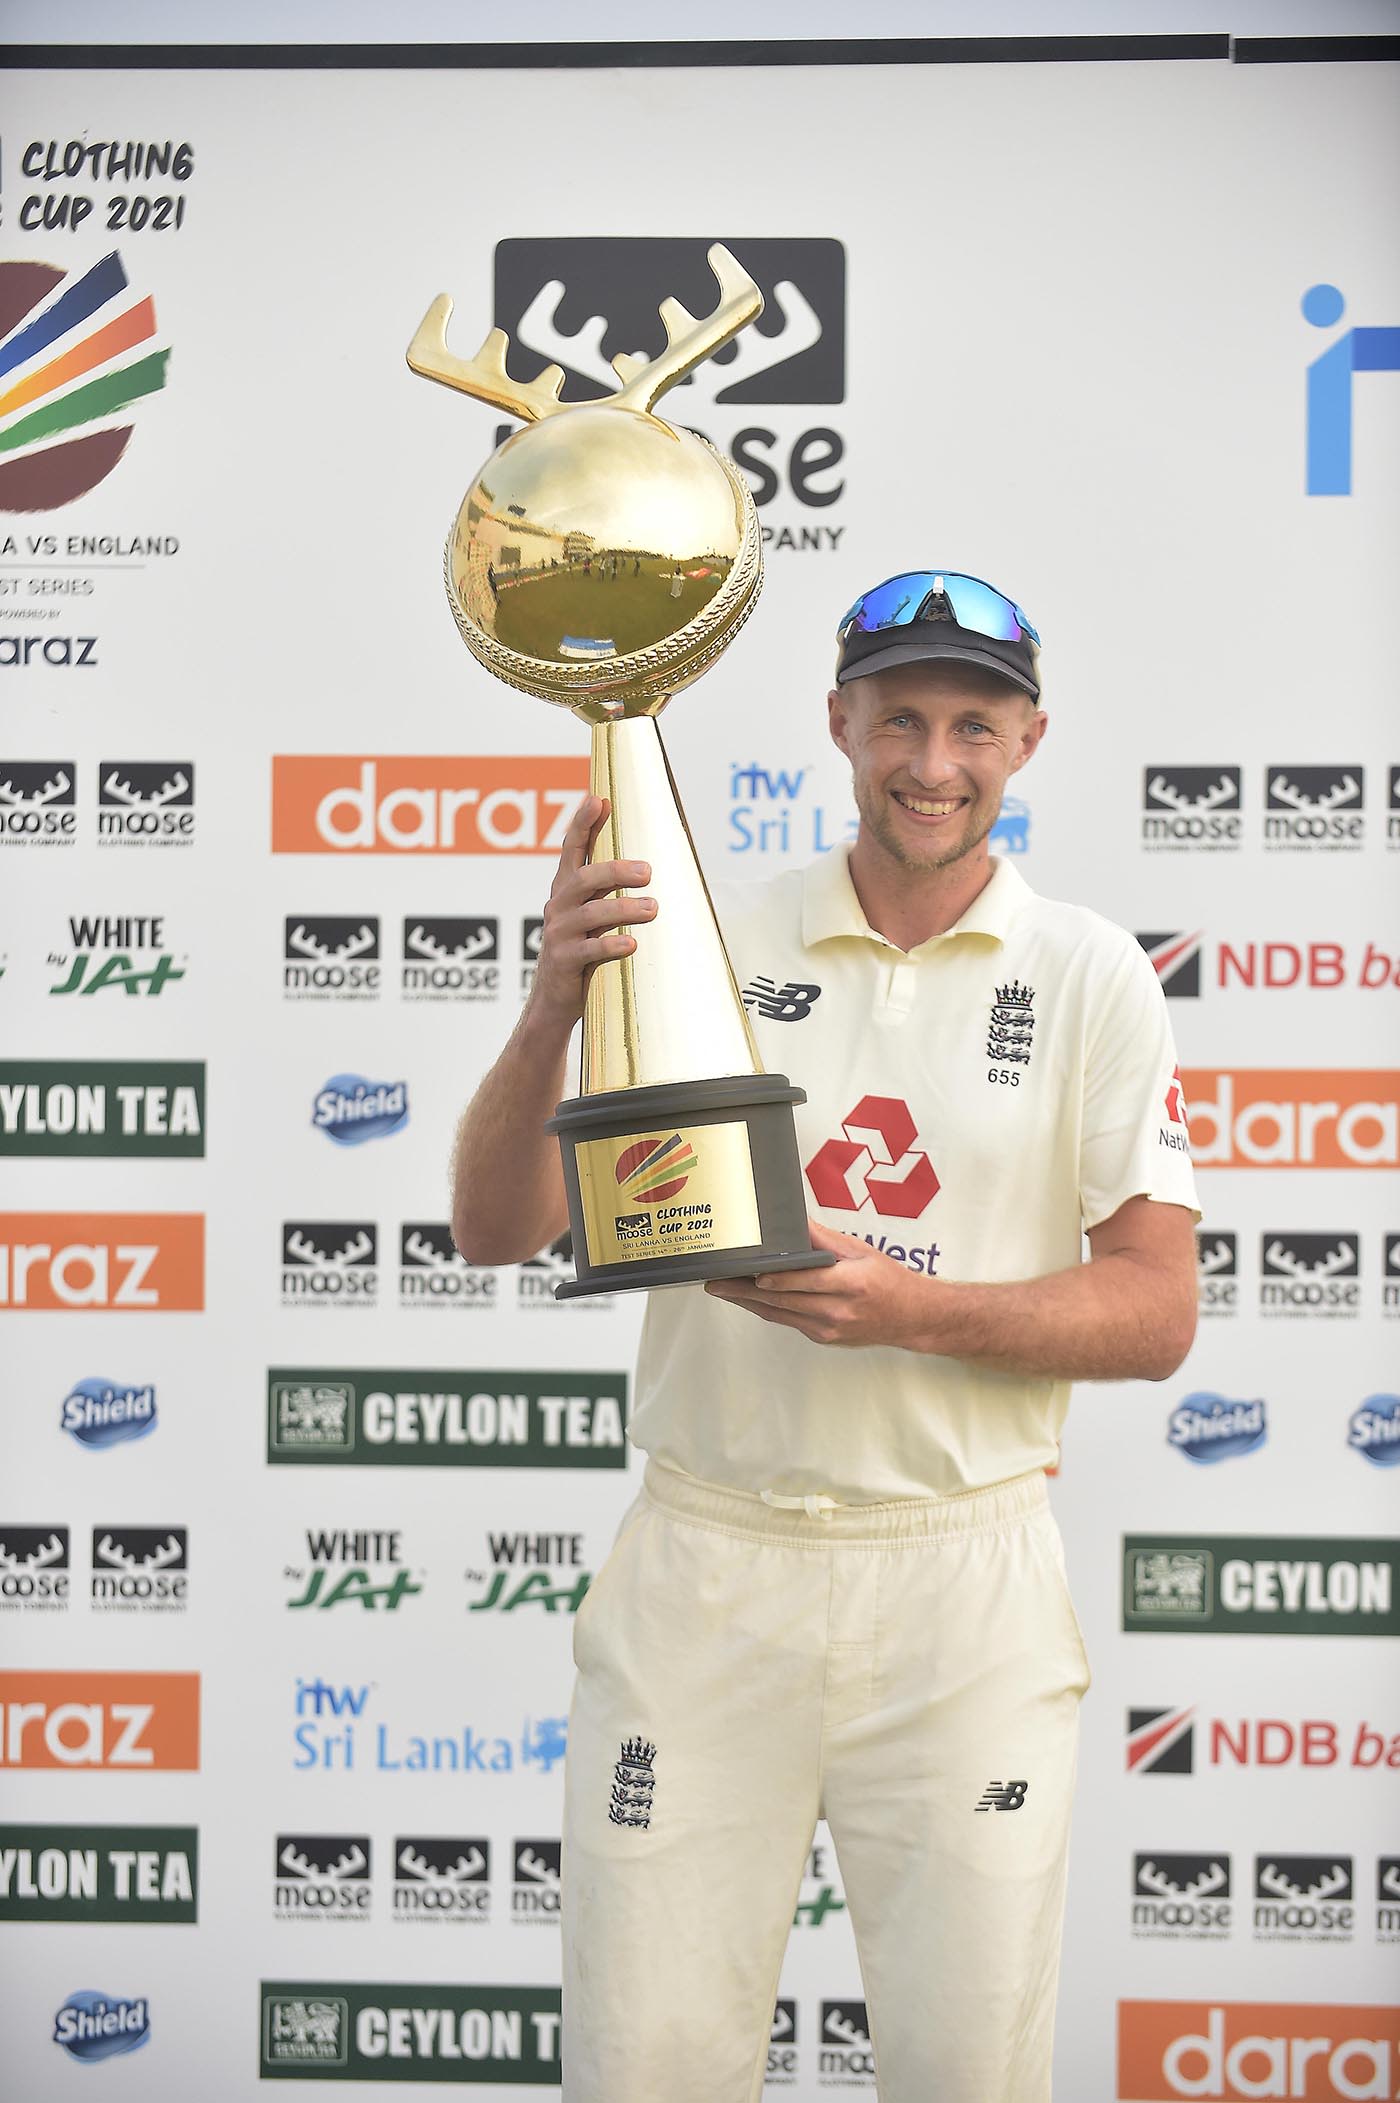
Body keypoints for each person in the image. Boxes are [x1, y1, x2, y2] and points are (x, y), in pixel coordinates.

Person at [451, 567, 1199, 2103]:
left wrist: (910, 1312)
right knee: (643, 2064)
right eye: (901, 720)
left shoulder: (1090, 975)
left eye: (974, 726)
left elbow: (1155, 1308)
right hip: (708, 1569)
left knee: (966, 2070)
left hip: (963, 1581)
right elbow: (497, 1228)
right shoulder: (699, 933)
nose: (935, 761)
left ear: (1030, 740)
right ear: (838, 725)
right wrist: (548, 1008)